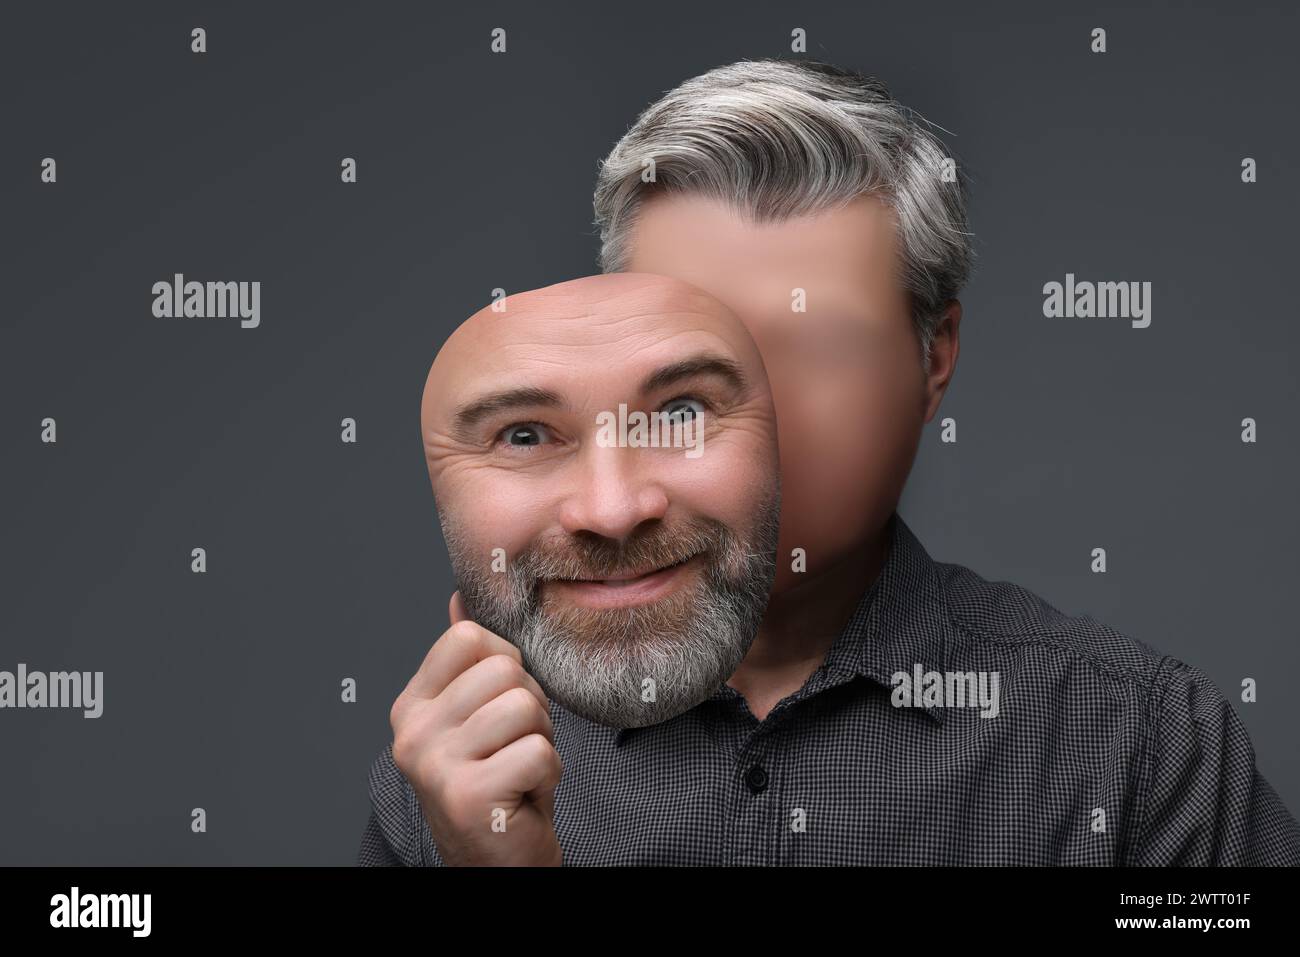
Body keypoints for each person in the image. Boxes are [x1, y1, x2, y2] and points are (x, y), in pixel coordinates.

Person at [360, 58, 1300, 865]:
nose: (750, 416)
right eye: (691, 372)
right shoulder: (462, 764)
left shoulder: (1140, 742)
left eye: (816, 350)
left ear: (933, 357)